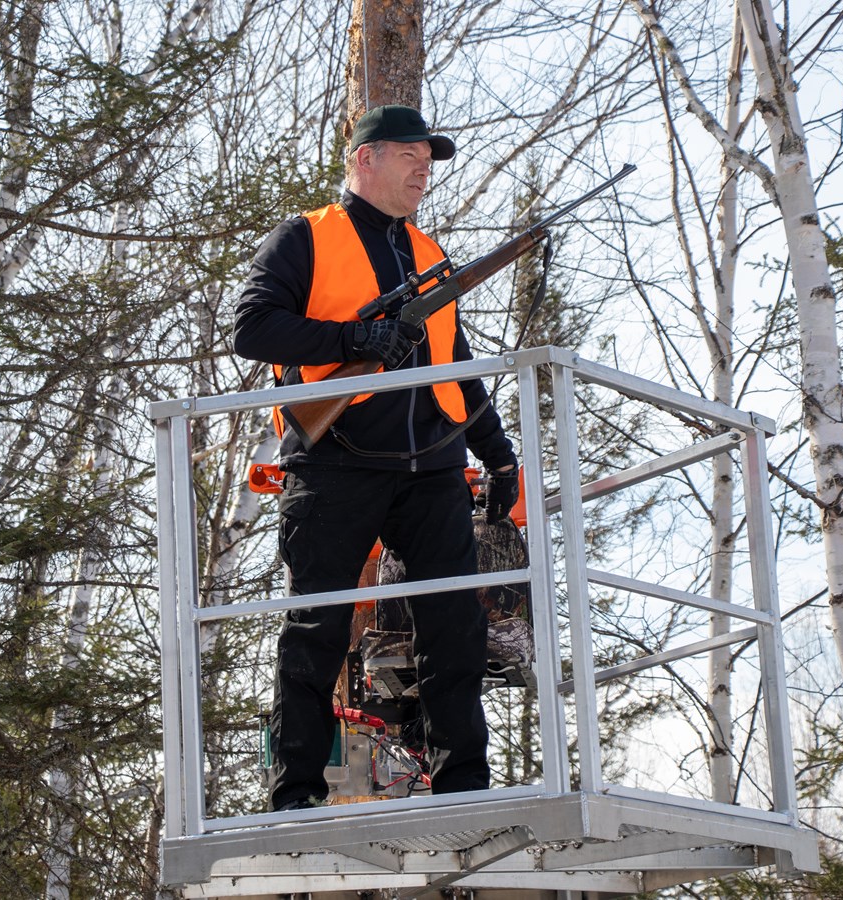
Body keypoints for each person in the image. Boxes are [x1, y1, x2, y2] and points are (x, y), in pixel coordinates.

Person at [233, 105, 520, 812]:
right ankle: (294, 796)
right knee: (317, 630)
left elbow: (455, 364)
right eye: (410, 155)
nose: (425, 168)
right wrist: (355, 340)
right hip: (335, 463)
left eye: (430, 158)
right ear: (365, 159)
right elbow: (252, 326)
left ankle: (462, 791)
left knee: (455, 628)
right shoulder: (306, 238)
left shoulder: (429, 255)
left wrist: (499, 453)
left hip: (432, 469)